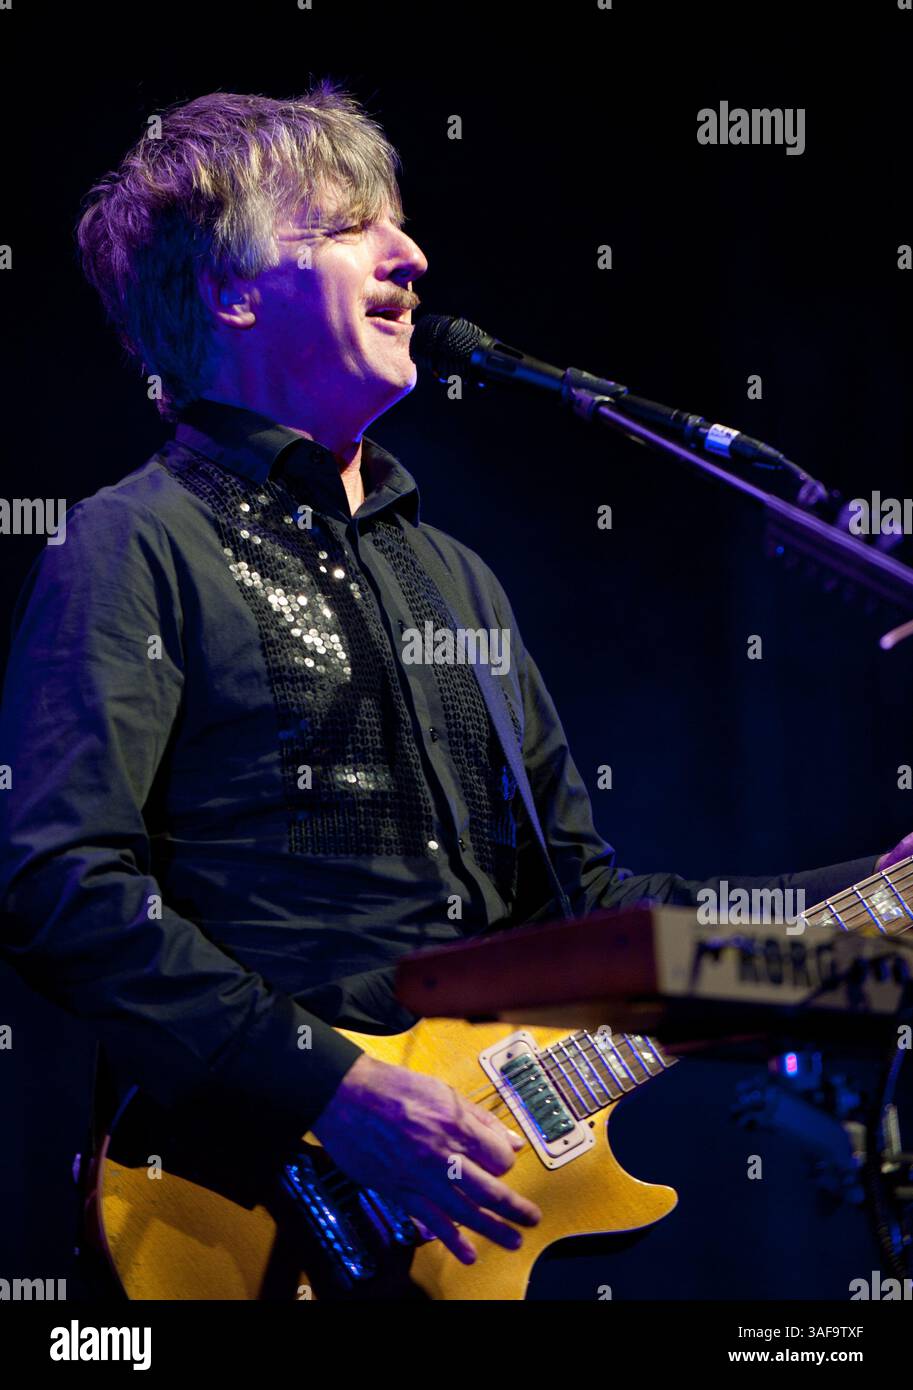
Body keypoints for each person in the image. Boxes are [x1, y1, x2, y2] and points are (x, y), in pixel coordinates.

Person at [1, 83, 908, 1272]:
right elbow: (57, 881)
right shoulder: (133, 543)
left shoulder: (457, 580)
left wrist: (866, 905)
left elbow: (588, 914)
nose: (411, 253)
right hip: (241, 1213)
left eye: (399, 222)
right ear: (226, 290)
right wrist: (329, 1091)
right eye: (342, 225)